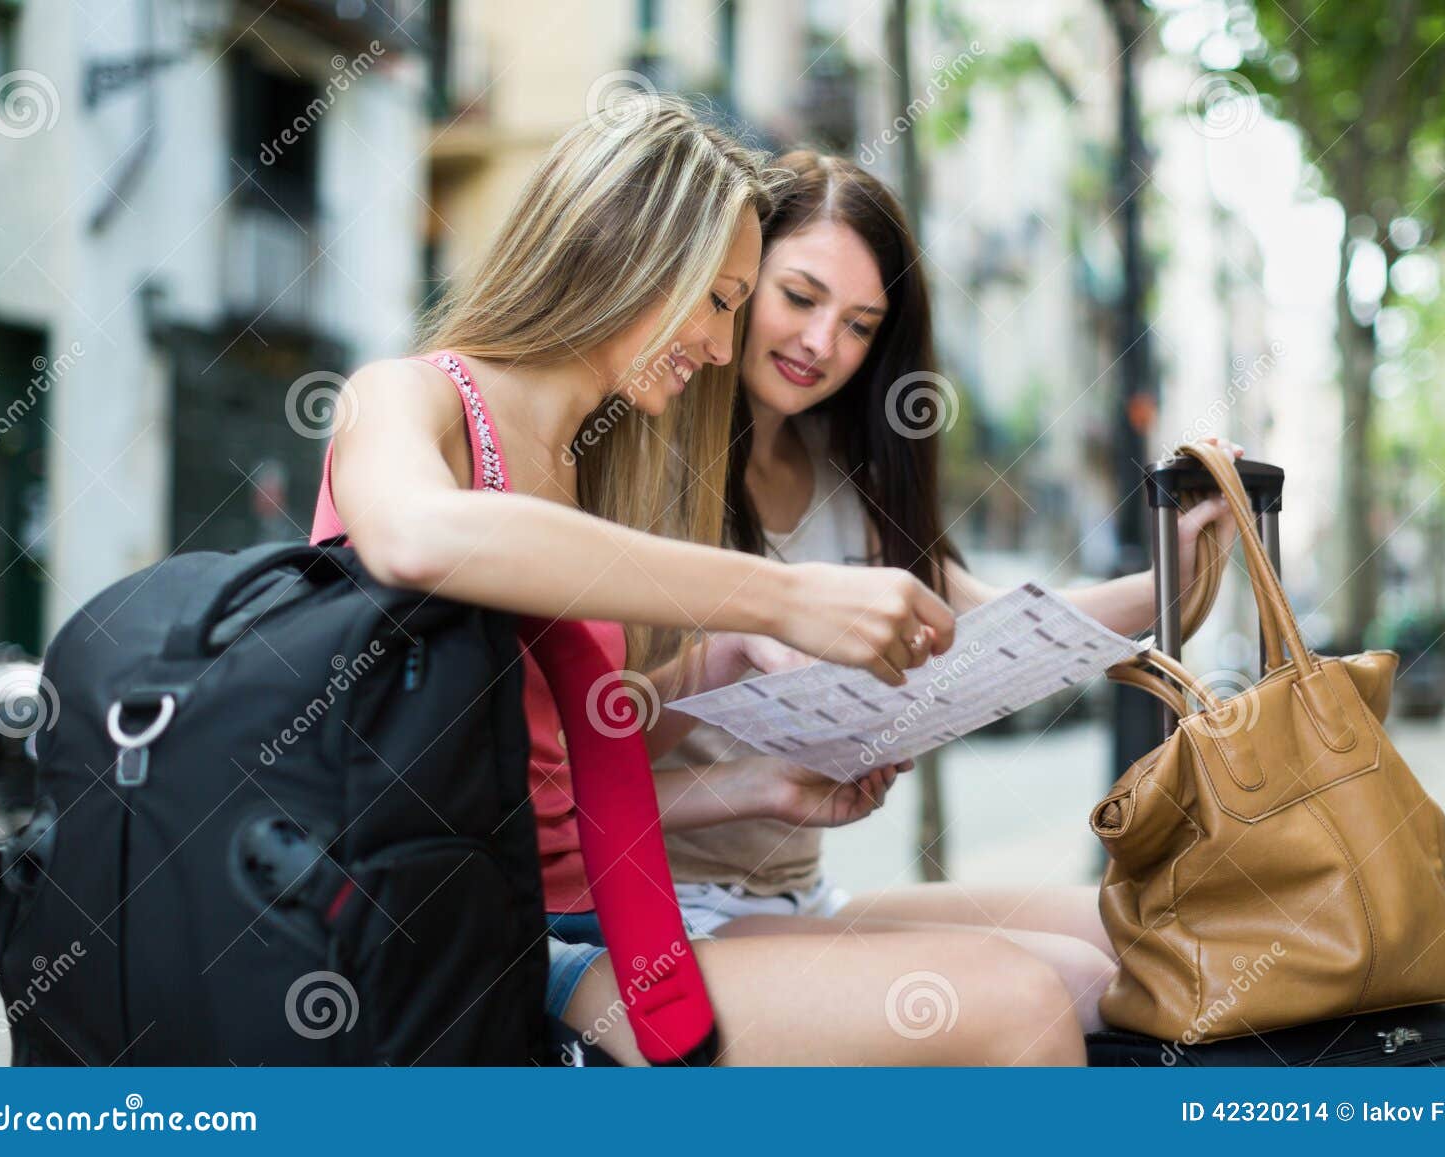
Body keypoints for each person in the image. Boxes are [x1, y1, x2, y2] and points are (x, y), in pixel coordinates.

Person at [312, 101, 1085, 1065]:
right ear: (627, 253)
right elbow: (420, 537)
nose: (724, 347)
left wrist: (758, 780)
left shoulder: (593, 470)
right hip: (492, 948)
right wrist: (781, 596)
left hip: (606, 920)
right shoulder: (410, 396)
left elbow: (551, 793)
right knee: (1020, 1004)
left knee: (1056, 975)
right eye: (719, 301)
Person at [648, 151, 1243, 1034]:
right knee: (1073, 985)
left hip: (797, 893)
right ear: (731, 279)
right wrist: (740, 688)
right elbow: (573, 754)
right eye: (800, 298)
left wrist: (1169, 580)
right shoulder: (644, 467)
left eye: (859, 325)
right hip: (663, 908)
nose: (822, 345)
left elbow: (992, 619)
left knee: (1154, 931)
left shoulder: (837, 469)